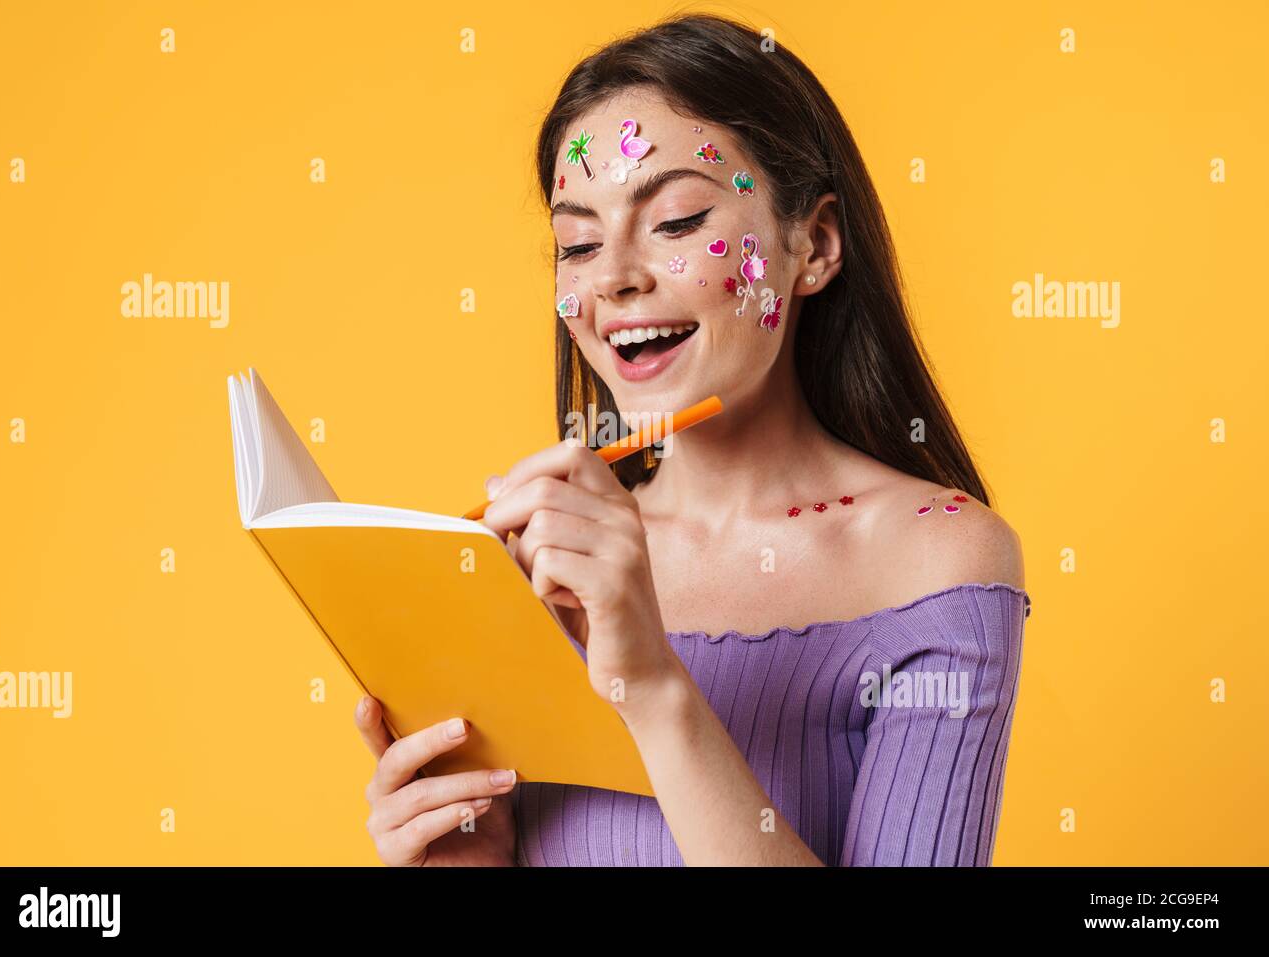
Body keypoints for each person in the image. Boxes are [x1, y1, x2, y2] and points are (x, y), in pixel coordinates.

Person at [355, 12, 1029, 866]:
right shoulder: (531, 570)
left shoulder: (938, 560)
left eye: (673, 222)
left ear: (813, 244)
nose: (614, 278)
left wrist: (653, 686)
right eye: (578, 241)